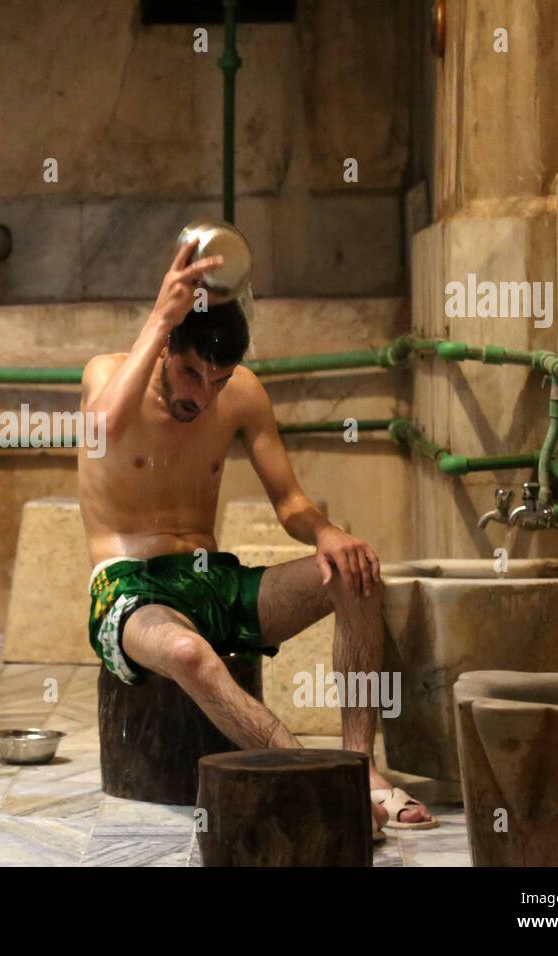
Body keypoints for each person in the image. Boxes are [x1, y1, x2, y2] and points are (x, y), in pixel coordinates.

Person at [76, 237, 436, 835]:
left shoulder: (240, 392)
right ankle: (315, 780)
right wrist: (162, 317)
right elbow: (102, 433)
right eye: (192, 372)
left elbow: (290, 502)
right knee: (190, 654)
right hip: (128, 590)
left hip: (211, 579)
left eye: (217, 381)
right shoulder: (109, 376)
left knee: (355, 575)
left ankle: (358, 766)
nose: (203, 395)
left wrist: (326, 533)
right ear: (168, 345)